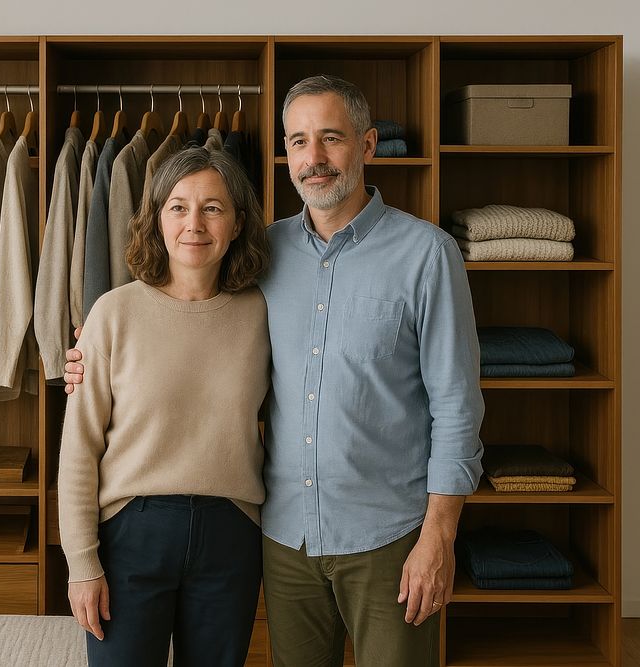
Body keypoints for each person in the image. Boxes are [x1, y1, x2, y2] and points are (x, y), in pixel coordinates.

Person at [65, 75, 485, 667]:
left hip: (389, 536)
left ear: (367, 145)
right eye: (298, 141)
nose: (313, 158)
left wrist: (439, 536)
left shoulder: (427, 254)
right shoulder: (264, 256)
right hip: (287, 539)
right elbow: (179, 321)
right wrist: (89, 350)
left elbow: (458, 407)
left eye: (330, 138)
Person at [58, 146, 271, 667]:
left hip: (231, 534)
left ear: (238, 222)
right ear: (156, 219)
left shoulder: (265, 314)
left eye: (213, 208)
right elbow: (79, 450)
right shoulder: (113, 313)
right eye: (177, 207)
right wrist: (82, 564)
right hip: (132, 533)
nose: (193, 224)